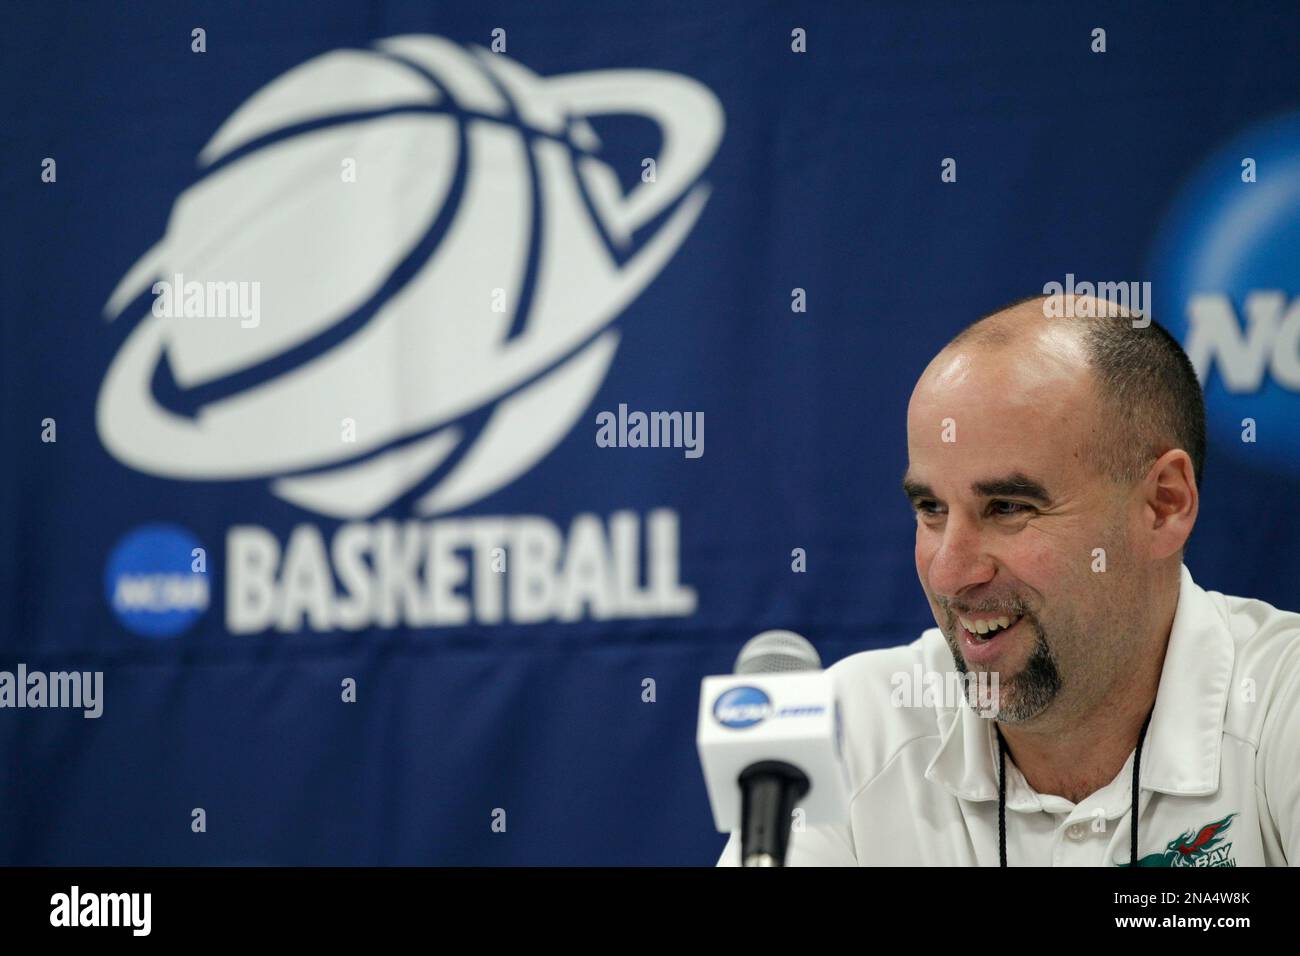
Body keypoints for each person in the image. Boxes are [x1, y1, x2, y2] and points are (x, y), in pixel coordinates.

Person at [717, 294, 1299, 866]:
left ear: (1163, 505)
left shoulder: (1282, 703)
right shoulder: (854, 729)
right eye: (931, 509)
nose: (950, 573)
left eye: (1007, 507)